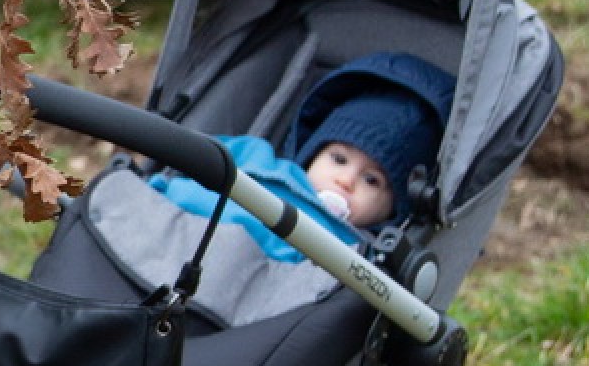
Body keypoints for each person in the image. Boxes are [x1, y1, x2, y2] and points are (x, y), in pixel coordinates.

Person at [143, 52, 454, 262]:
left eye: (372, 180)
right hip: (175, 222)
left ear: (392, 210)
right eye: (339, 159)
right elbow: (198, 156)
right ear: (313, 153)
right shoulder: (258, 157)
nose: (345, 180)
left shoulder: (359, 252)